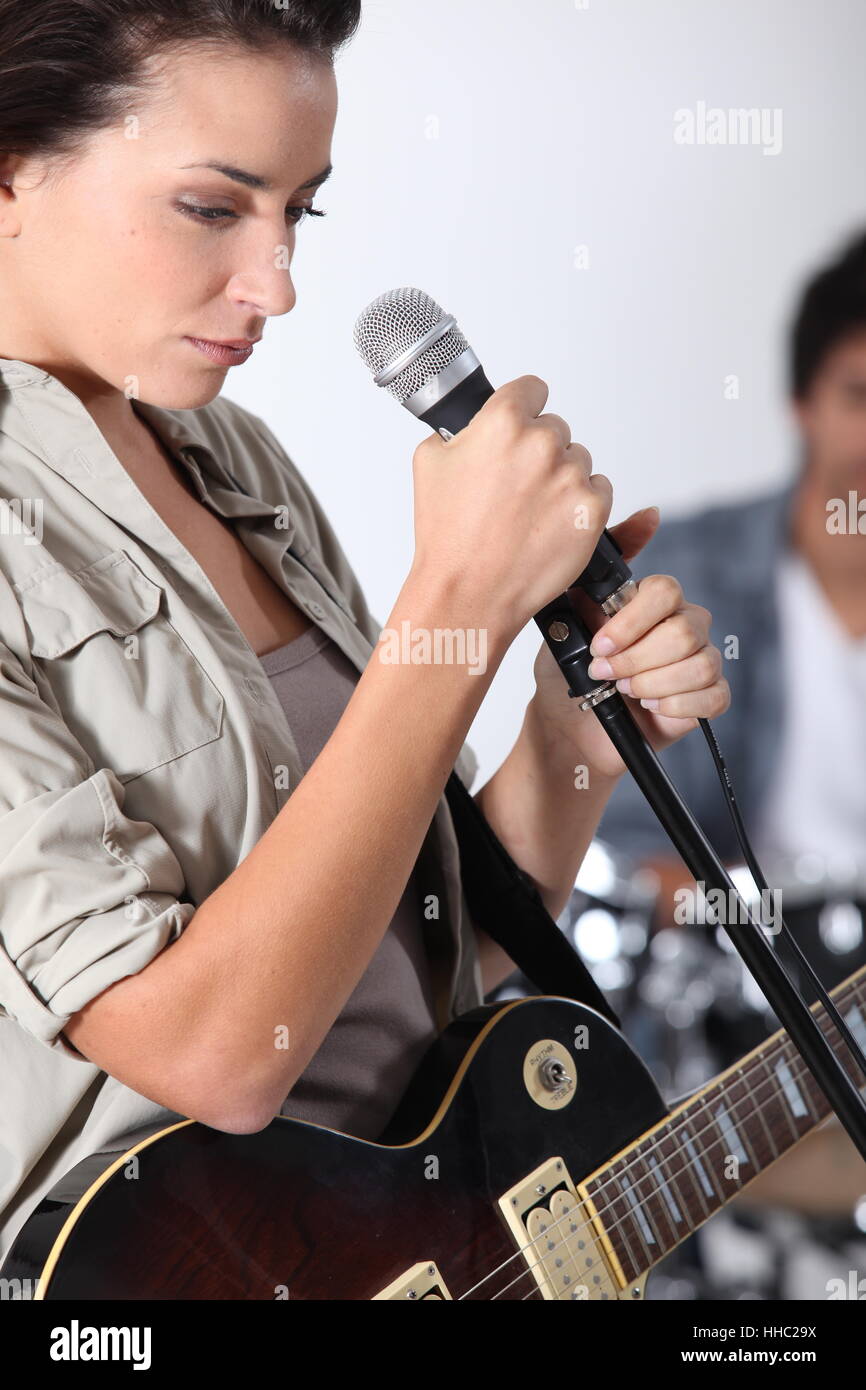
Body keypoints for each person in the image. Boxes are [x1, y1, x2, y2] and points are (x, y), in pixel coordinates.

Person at [0, 0, 729, 1271]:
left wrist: (578, 731)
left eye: (301, 212)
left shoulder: (231, 457)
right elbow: (216, 1058)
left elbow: (422, 954)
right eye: (213, 208)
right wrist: (454, 606)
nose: (277, 284)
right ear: (12, 167)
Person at [595, 230, 866, 1252]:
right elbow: (619, 845)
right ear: (802, 403)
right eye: (855, 392)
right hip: (734, 975)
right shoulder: (687, 568)